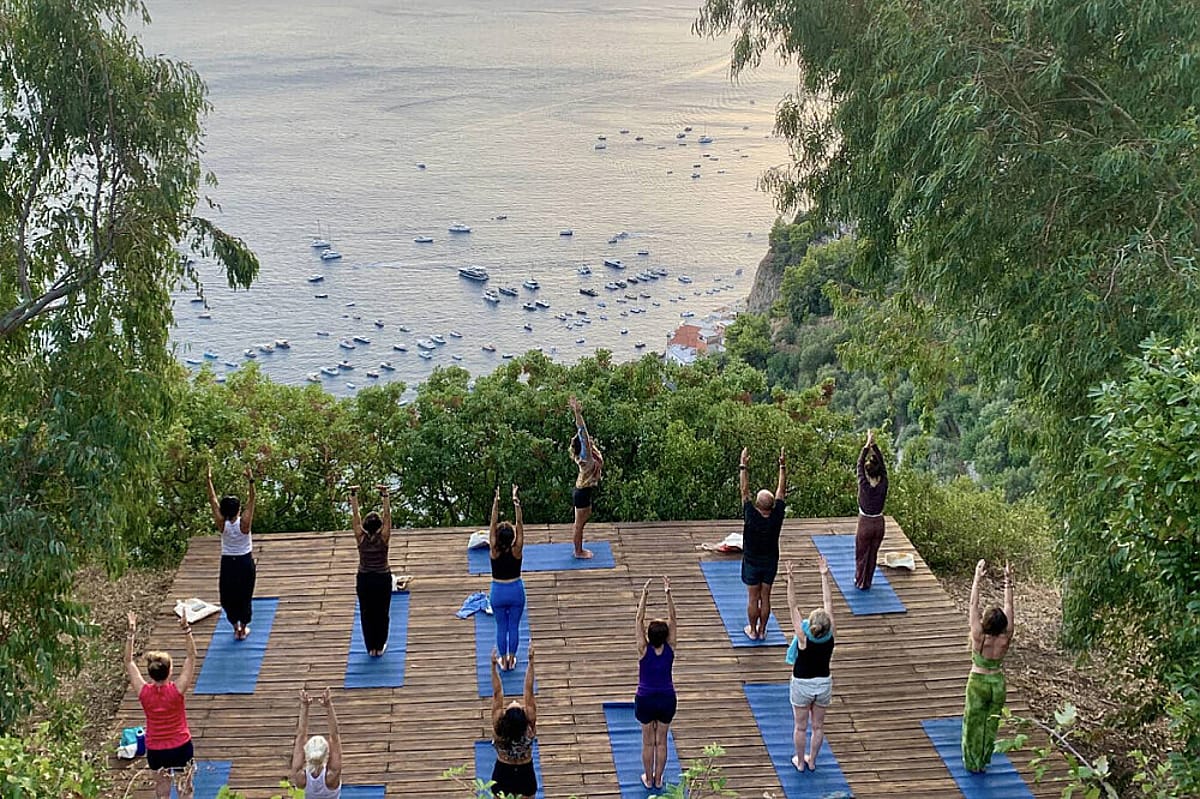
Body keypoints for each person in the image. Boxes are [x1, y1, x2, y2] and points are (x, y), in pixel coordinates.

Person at [125, 611, 198, 799]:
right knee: (185, 789)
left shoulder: (144, 692)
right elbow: (192, 656)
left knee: (162, 789)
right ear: (170, 670)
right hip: (181, 745)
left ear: (150, 674)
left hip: (156, 749)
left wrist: (131, 632)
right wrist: (186, 629)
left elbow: (128, 662)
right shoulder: (177, 690)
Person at [962, 559, 1015, 772]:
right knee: (990, 724)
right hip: (997, 682)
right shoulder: (1006, 636)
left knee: (973, 721)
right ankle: (983, 760)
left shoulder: (979, 635)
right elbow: (1009, 606)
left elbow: (973, 605)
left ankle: (971, 761)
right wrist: (1008, 580)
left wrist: (977, 579)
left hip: (978, 681)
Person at [784, 556, 834, 772]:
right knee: (818, 726)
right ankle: (812, 760)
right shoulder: (831, 633)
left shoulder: (803, 637)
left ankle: (800, 761)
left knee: (800, 727)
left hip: (802, 684)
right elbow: (828, 602)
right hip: (823, 684)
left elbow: (792, 606)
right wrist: (824, 574)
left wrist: (790, 579)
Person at [739, 445, 787, 640]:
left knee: (753, 597)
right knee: (765, 596)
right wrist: (782, 467)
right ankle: (762, 630)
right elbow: (781, 492)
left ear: (757, 505)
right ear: (771, 505)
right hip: (769, 562)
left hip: (751, 562)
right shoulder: (776, 516)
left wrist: (743, 466)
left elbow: (744, 490)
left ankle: (752, 629)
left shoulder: (750, 515)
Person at [634, 576, 678, 790]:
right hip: (666, 699)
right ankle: (658, 779)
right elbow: (674, 618)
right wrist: (668, 593)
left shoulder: (644, 649)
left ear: (649, 636)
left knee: (647, 741)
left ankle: (648, 778)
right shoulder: (670, 648)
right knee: (661, 740)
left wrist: (645, 595)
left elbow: (638, 620)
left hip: (645, 699)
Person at [206, 464, 256, 640]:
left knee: (228, 596)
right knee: (245, 595)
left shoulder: (222, 524)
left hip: (228, 564)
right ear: (238, 510)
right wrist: (250, 479)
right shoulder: (245, 524)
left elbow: (212, 499)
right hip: (244, 562)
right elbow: (253, 499)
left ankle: (235, 627)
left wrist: (209, 479)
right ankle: (243, 628)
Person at [490, 644, 538, 799]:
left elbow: (498, 694)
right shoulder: (529, 724)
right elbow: (528, 691)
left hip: (504, 769)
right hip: (525, 769)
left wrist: (493, 667)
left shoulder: (499, 725)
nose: (515, 701)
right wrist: (531, 663)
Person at [350, 484, 392, 657]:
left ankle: (371, 648)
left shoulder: (361, 537)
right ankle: (380, 646)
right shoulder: (384, 537)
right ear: (379, 525)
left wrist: (353, 495)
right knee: (382, 612)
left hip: (365, 579)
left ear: (366, 526)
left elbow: (355, 516)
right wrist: (385, 495)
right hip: (382, 578)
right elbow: (388, 516)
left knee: (367, 613)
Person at [490, 484, 526, 671]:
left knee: (501, 627)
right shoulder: (517, 549)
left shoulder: (494, 550)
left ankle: (503, 662)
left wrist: (496, 504)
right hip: (515, 590)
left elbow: (492, 525)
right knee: (514, 626)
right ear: (512, 537)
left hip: (498, 591)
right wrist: (516, 503)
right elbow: (520, 526)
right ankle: (512, 660)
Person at [290, 687, 342, 799]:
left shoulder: (300, 777)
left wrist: (304, 706)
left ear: (306, 753)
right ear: (326, 753)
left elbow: (301, 736)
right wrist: (328, 706)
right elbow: (335, 736)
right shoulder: (331, 776)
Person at [568, 394, 603, 559]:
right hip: (582, 491)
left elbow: (583, 437)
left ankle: (578, 548)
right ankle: (578, 551)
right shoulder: (586, 456)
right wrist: (578, 413)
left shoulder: (584, 456)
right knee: (579, 525)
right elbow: (582, 431)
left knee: (580, 523)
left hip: (583, 490)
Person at [854, 429, 889, 590]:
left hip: (866, 523)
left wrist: (867, 445)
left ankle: (860, 581)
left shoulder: (864, 484)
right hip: (879, 523)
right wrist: (875, 447)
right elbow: (882, 467)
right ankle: (868, 581)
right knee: (873, 554)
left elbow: (859, 464)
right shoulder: (883, 483)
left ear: (868, 473)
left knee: (862, 554)